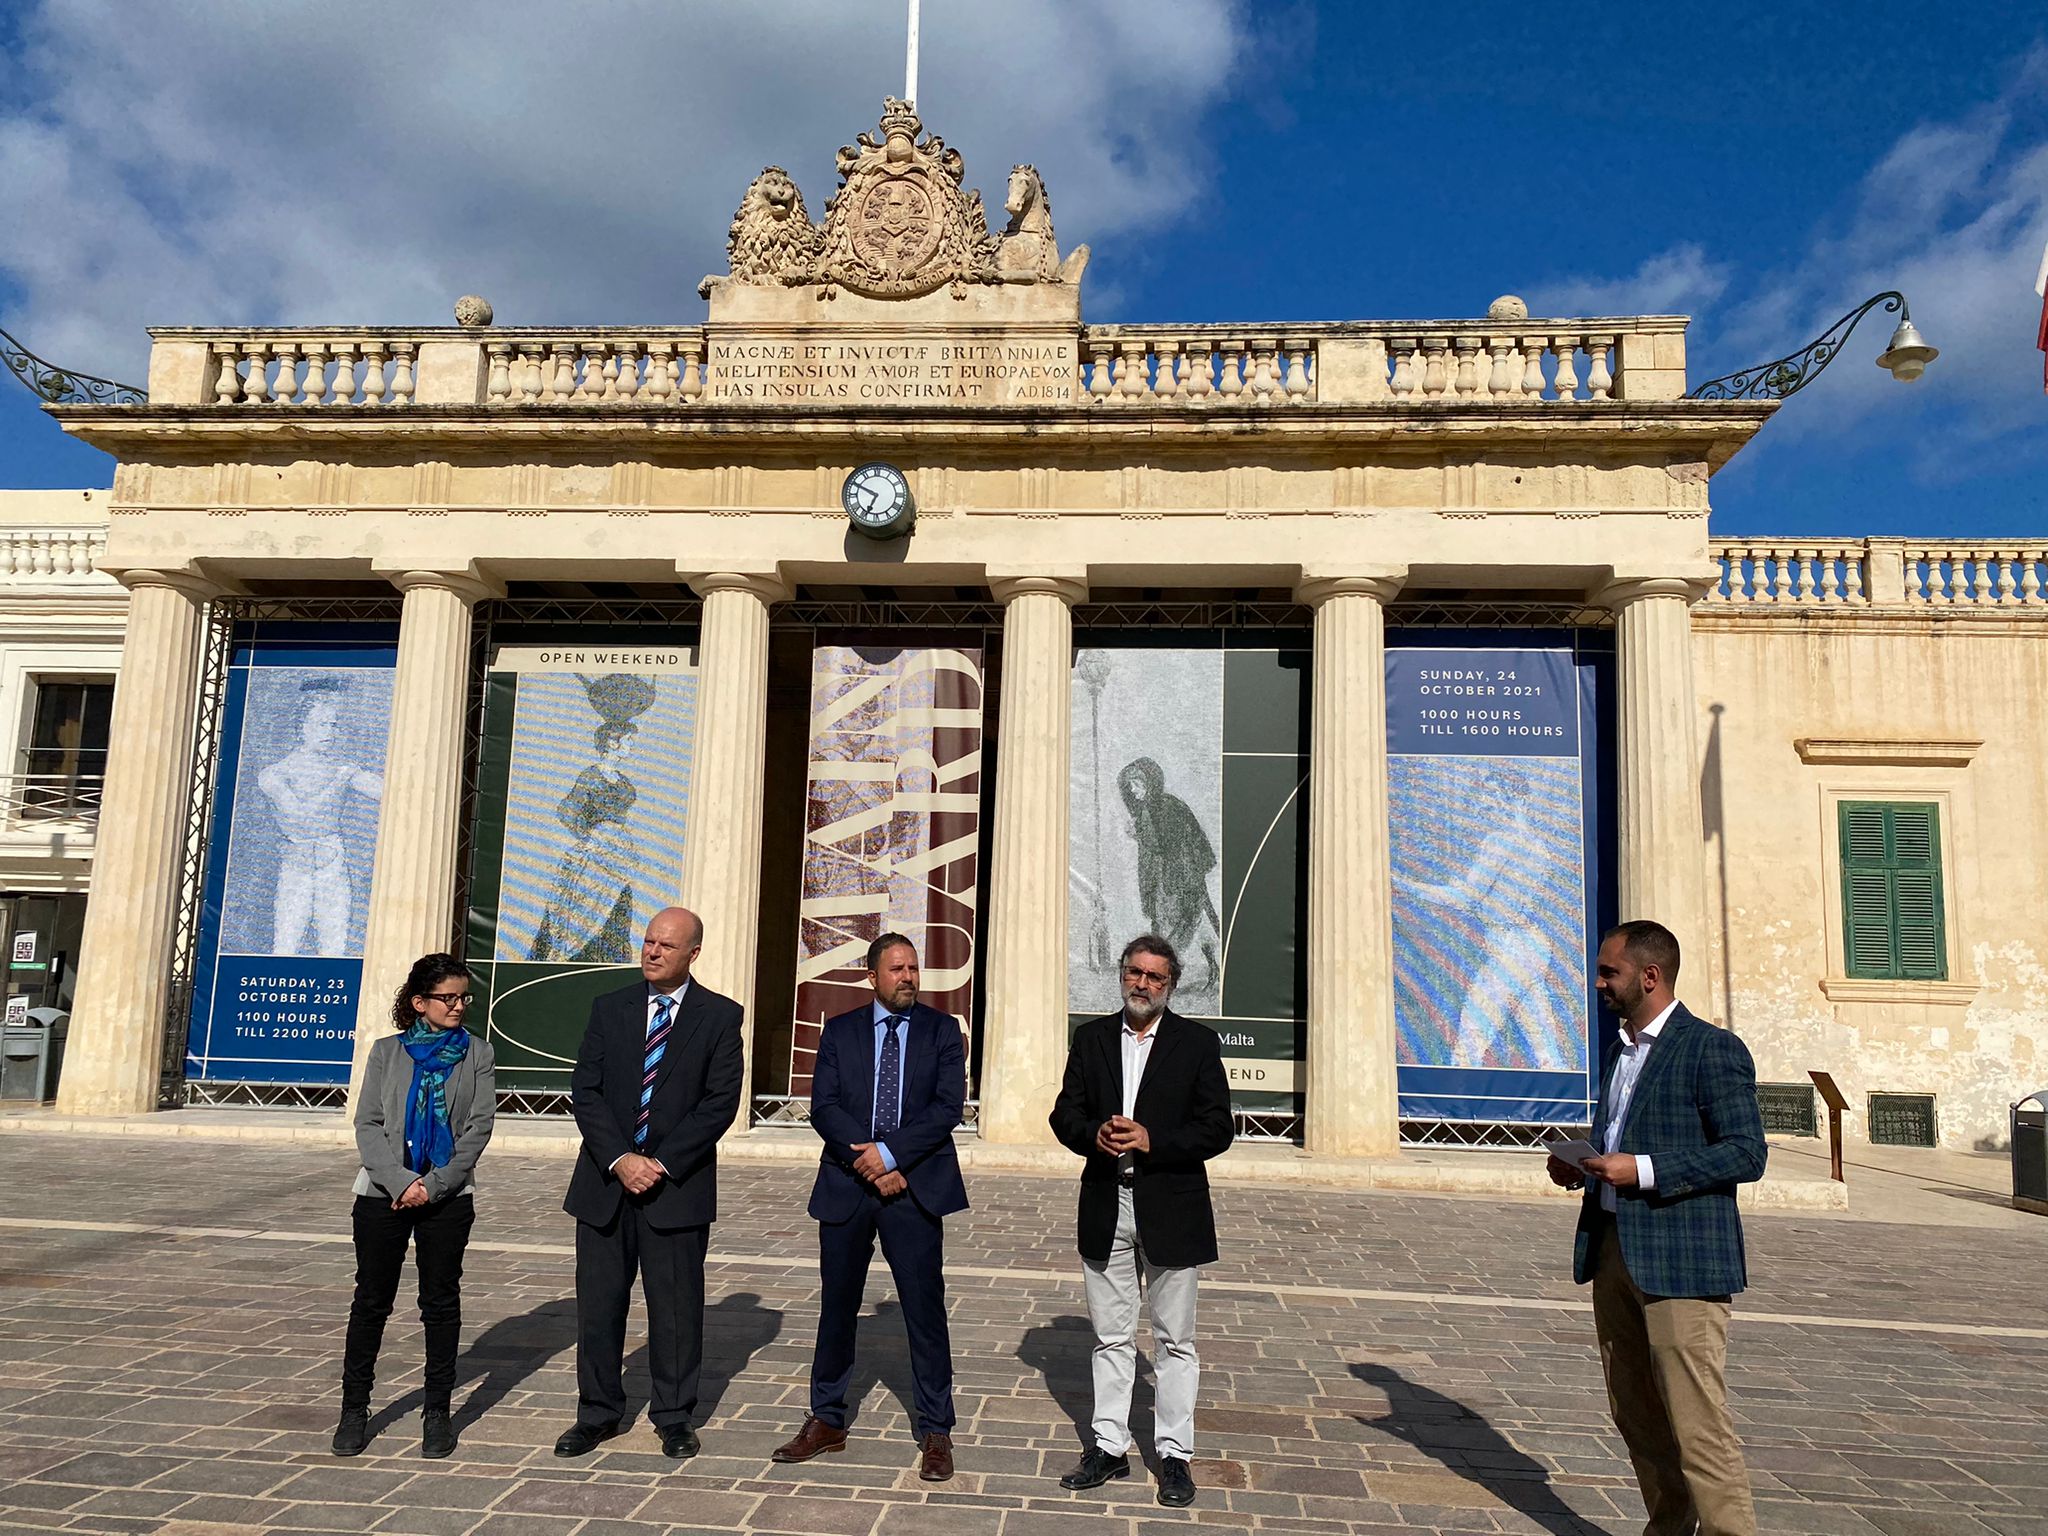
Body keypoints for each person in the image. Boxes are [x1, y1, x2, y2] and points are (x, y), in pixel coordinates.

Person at [1548, 920, 1767, 1536]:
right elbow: (1624, 1137)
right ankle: (1668, 1527)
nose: (1598, 983)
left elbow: (1746, 1153)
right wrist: (1585, 1165)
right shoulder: (1620, 1050)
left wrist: (1641, 1169)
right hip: (1613, 1249)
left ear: (1650, 976)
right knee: (1635, 1413)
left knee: (1697, 1423)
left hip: (1681, 1261)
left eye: (1609, 972)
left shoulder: (1711, 1048)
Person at [773, 933, 968, 1482]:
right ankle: (826, 1418)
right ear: (872, 976)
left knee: (924, 1310)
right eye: (897, 968)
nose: (909, 977)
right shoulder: (840, 1031)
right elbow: (825, 1106)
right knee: (837, 1306)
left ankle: (936, 1428)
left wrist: (891, 1156)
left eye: (914, 968)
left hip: (913, 1187)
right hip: (847, 1186)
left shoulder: (941, 1031)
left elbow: (946, 1107)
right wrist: (869, 1161)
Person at [1048, 933, 1233, 1508]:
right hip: (1107, 1201)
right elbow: (1064, 1114)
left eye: (1155, 976)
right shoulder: (1092, 1038)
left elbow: (1217, 1128)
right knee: (1111, 1337)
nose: (1143, 983)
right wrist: (1093, 1135)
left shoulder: (1196, 1044)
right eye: (1134, 972)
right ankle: (1109, 1446)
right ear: (1121, 974)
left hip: (1171, 1206)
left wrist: (1155, 1140)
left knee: (1175, 1340)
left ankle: (1174, 1455)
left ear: (1170, 984)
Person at [557, 906, 744, 1461]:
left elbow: (719, 1104)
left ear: (693, 953)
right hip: (605, 1185)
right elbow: (586, 1091)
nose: (653, 951)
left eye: (666, 944)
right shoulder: (609, 1008)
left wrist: (658, 1163)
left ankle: (674, 1415)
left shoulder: (720, 1017)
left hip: (675, 1188)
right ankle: (596, 1413)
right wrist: (620, 1158)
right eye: (648, 941)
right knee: (598, 1307)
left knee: (676, 1310)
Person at [334, 953, 495, 1460]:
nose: (458, 1006)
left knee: (440, 1303)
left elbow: (479, 1127)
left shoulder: (478, 1053)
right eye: (447, 998)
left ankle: (437, 1412)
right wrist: (401, 1182)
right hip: (383, 1195)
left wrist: (436, 1184)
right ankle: (354, 1409)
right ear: (420, 1002)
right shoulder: (387, 1051)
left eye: (464, 997)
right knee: (371, 1301)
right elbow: (368, 1123)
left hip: (447, 1197)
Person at [258, 682, 383, 956]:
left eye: (333, 725)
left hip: (333, 865)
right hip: (295, 869)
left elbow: (389, 792)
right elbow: (302, 817)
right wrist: (339, 782)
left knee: (334, 947)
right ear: (302, 727)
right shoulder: (274, 774)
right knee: (285, 947)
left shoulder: (342, 768)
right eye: (321, 725)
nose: (329, 732)